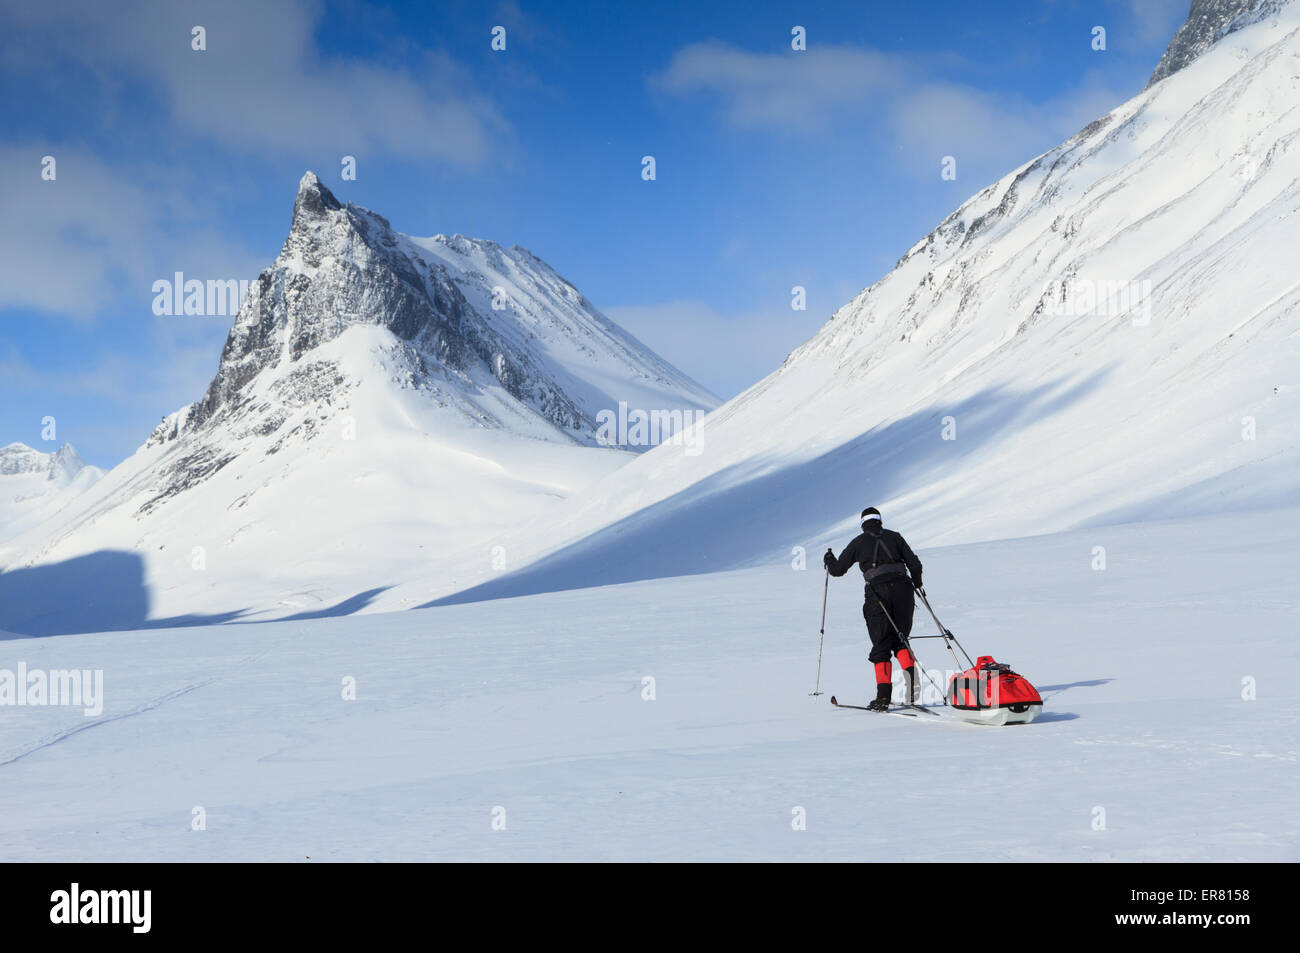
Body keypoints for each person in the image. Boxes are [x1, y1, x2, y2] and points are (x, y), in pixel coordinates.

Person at [824, 507, 924, 711]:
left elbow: (837, 570)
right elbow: (914, 563)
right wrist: (916, 583)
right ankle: (913, 688)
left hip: (878, 594)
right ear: (880, 521)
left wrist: (828, 560)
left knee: (881, 643)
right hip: (904, 591)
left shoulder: (859, 542)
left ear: (863, 524)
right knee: (901, 638)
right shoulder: (895, 537)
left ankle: (883, 697)